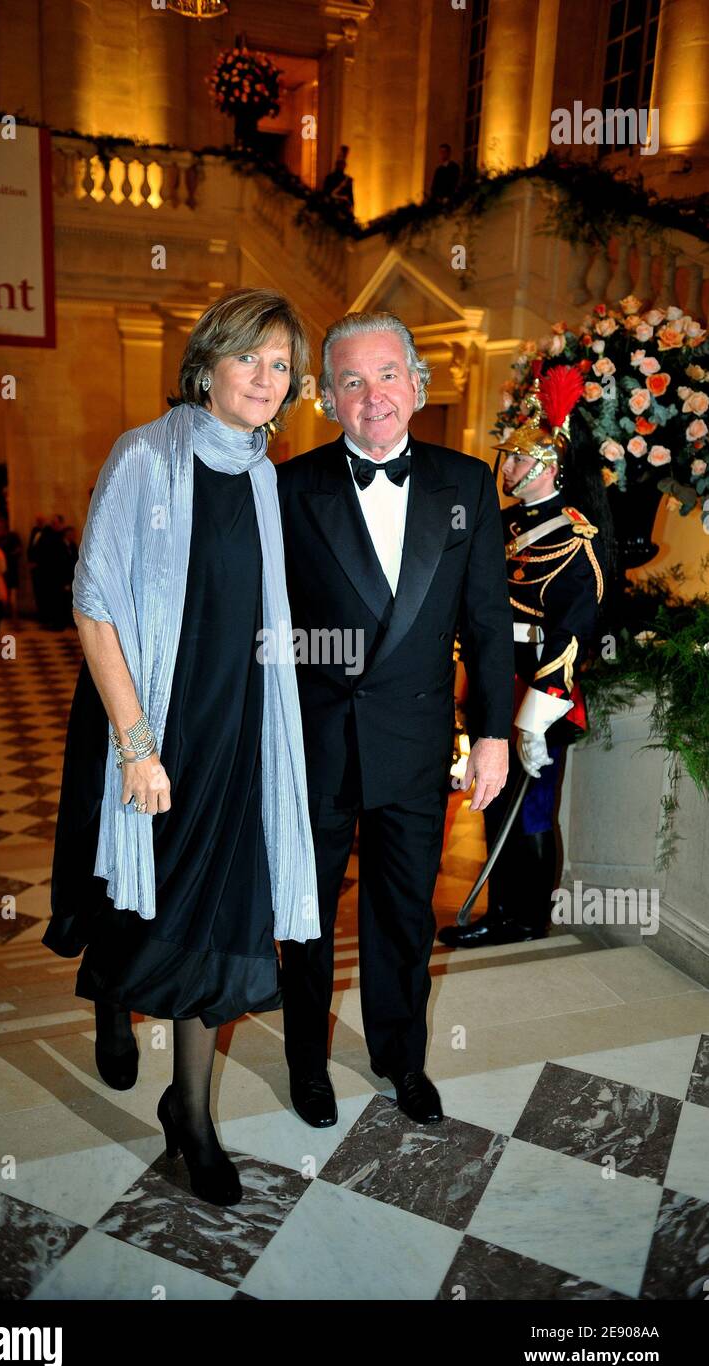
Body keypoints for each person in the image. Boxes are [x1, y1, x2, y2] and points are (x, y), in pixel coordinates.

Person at [42, 288, 320, 1208]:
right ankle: (112, 1001)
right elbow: (95, 606)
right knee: (137, 906)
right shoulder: (146, 457)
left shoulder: (266, 475)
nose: (267, 378)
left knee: (223, 927)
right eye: (252, 357)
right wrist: (135, 745)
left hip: (236, 737)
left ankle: (189, 1113)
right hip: (154, 733)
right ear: (208, 363)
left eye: (282, 365)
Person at [277, 310, 514, 1130]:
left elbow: (486, 620)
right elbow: (264, 631)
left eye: (386, 375)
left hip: (416, 743)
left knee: (404, 913)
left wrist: (492, 733)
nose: (371, 395)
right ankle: (306, 1062)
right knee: (304, 915)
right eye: (351, 380)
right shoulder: (289, 488)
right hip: (318, 742)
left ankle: (399, 1059)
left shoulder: (468, 483)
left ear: (417, 384)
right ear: (328, 400)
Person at [443, 366, 612, 949]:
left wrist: (535, 720)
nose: (506, 469)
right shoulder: (506, 522)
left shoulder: (575, 540)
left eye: (517, 461)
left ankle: (524, 919)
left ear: (547, 468)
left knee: (530, 812)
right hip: (495, 684)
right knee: (496, 808)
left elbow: (569, 638)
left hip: (539, 695)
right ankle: (501, 908)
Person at [321, 144, 354, 215]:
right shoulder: (329, 178)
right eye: (340, 164)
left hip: (344, 209)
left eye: (343, 164)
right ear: (336, 164)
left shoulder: (348, 180)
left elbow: (350, 197)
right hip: (332, 209)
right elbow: (326, 194)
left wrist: (351, 209)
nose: (341, 166)